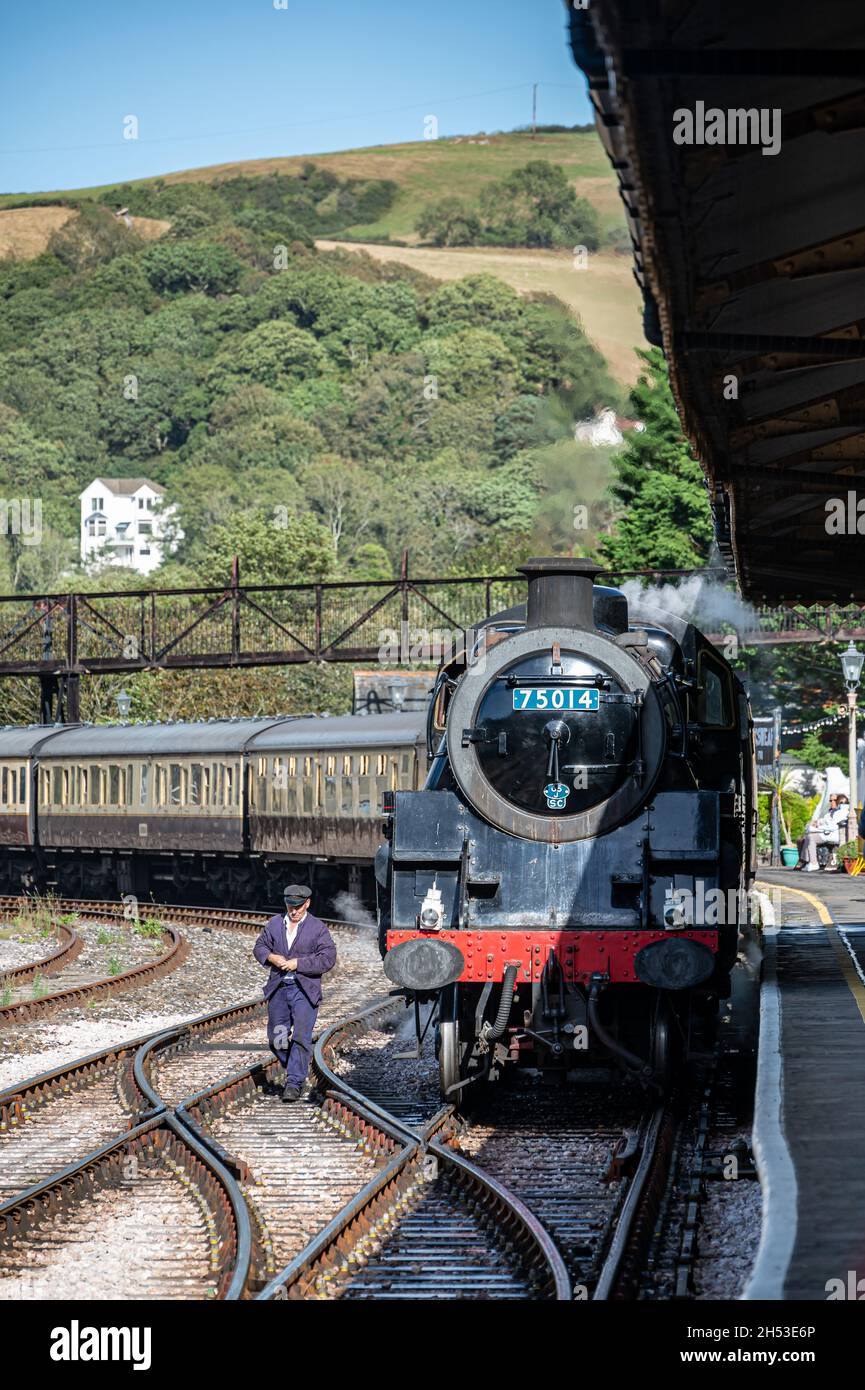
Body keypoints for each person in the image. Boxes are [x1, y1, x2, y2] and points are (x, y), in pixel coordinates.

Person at [253, 885, 337, 1101]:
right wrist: (272, 957)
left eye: (298, 906)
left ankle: (294, 1083)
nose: (294, 911)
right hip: (279, 990)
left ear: (307, 903)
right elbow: (259, 947)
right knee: (277, 1039)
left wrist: (298, 963)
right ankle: (296, 1066)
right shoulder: (274, 924)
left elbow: (327, 959)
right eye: (291, 906)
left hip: (304, 991)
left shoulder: (317, 929)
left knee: (300, 1036)